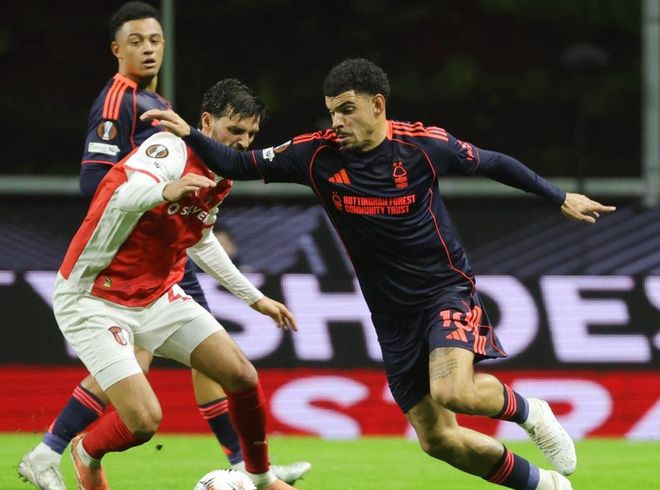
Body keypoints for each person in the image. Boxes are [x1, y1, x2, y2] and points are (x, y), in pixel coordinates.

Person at [142, 58, 618, 490]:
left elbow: (494, 162)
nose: (338, 122)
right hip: (392, 316)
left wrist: (559, 196)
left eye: (347, 110)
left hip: (444, 292)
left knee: (454, 391)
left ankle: (531, 411)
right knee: (438, 440)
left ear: (378, 105)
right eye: (332, 111)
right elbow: (236, 163)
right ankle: (545, 486)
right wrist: (190, 133)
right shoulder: (315, 155)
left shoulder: (423, 145)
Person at [17, 3, 310, 489]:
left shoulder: (220, 173)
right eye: (234, 131)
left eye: (250, 136)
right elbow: (118, 191)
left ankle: (257, 478)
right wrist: (164, 190)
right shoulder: (167, 146)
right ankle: (83, 450)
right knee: (143, 420)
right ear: (206, 121)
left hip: (156, 292)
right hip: (94, 295)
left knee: (241, 375)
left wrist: (254, 298)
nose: (241, 144)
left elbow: (202, 239)